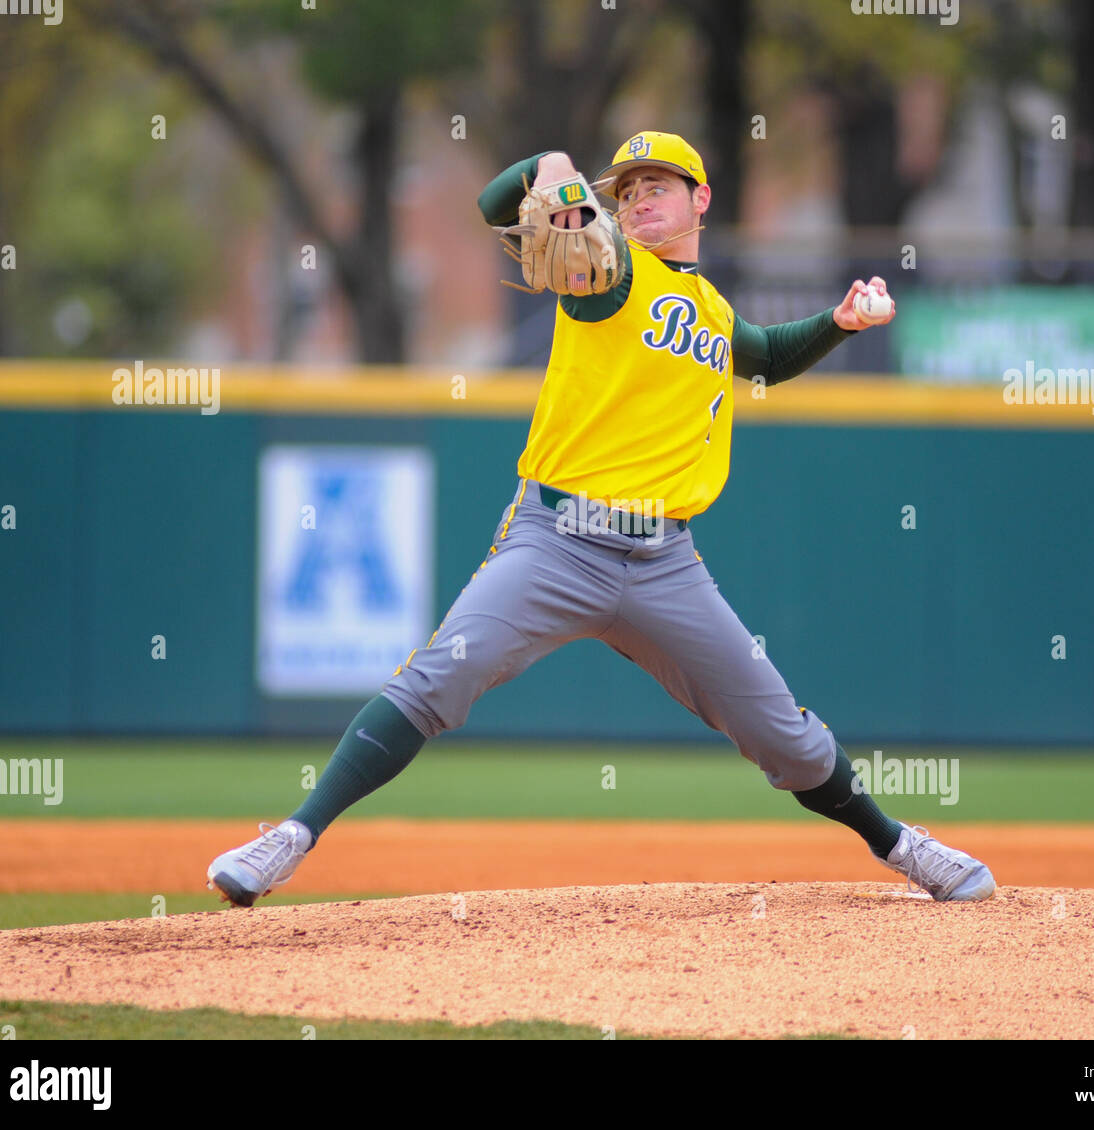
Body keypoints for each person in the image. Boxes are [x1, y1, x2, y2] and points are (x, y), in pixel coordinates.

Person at [207, 131, 994, 907]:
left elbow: (764, 354)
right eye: (629, 188)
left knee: (784, 734)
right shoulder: (606, 268)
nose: (640, 198)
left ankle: (900, 844)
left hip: (666, 563)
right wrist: (549, 169)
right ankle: (292, 836)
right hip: (556, 543)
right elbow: (494, 206)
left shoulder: (710, 308)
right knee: (439, 677)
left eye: (659, 184)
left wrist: (841, 323)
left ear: (701, 199)